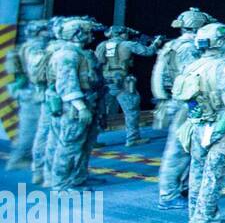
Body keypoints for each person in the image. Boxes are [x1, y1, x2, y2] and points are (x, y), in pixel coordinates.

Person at [172, 23, 225, 223]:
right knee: (212, 177)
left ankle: (194, 222)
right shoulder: (224, 68)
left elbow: (186, 99)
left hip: (198, 127)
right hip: (220, 130)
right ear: (220, 42)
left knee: (197, 174)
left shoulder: (192, 66)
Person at [155, 7, 214, 209]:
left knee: (188, 148)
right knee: (179, 150)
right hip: (187, 103)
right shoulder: (189, 48)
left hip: (179, 101)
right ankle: (168, 195)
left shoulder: (173, 44)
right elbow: (194, 79)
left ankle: (182, 188)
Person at [45, 17, 105, 190]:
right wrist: (81, 107)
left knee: (84, 144)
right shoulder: (68, 55)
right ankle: (61, 185)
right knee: (70, 146)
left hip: (88, 102)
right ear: (77, 35)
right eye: (87, 32)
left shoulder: (81, 53)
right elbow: (67, 85)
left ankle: (78, 178)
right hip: (73, 108)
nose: (91, 35)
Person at [95, 26, 161, 146]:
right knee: (131, 111)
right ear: (122, 34)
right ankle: (132, 138)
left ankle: (93, 140)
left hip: (106, 83)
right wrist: (156, 43)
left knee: (100, 111)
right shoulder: (128, 44)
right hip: (123, 83)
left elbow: (98, 62)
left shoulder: (102, 45)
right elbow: (149, 52)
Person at [5, 20, 49, 174]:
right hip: (33, 94)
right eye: (44, 30)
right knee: (30, 129)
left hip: (28, 92)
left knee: (31, 128)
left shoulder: (26, 47)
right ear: (37, 32)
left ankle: (25, 159)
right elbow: (37, 73)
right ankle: (17, 161)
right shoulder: (35, 48)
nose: (48, 33)